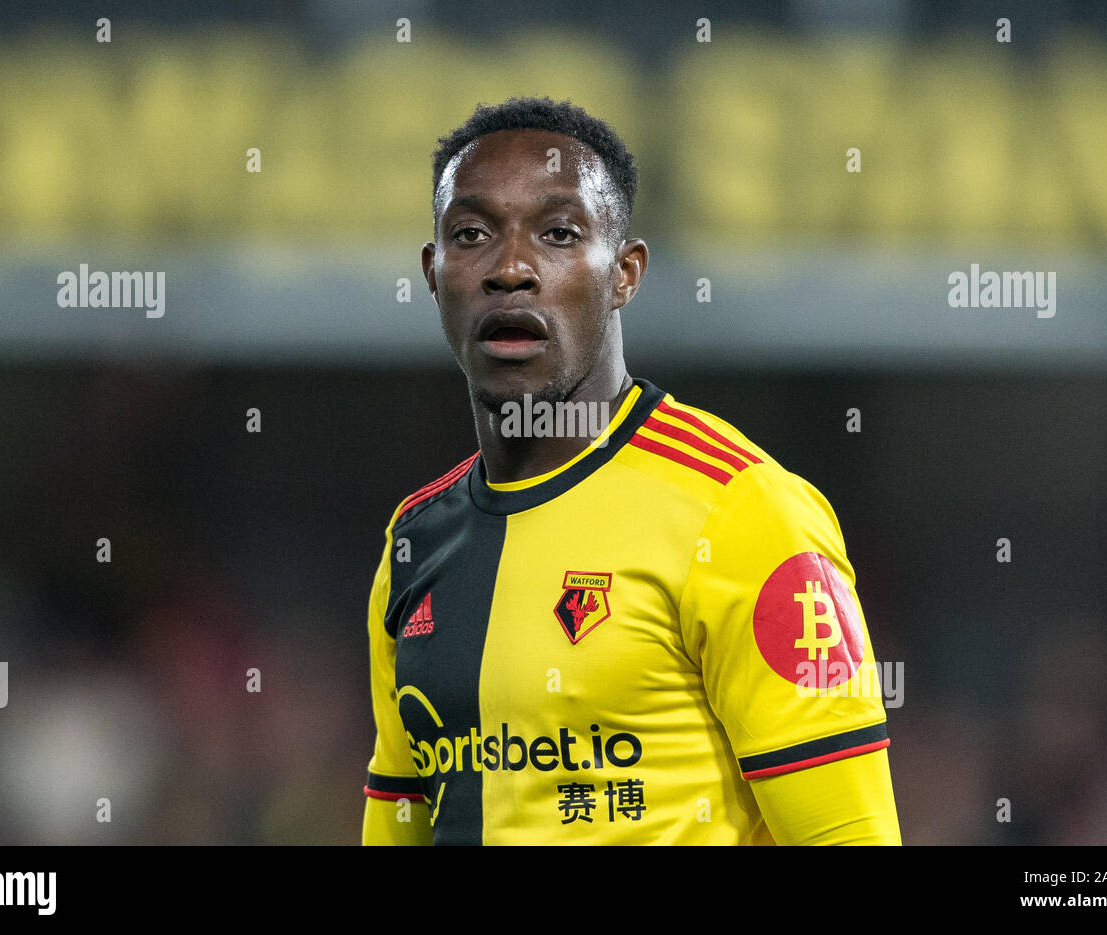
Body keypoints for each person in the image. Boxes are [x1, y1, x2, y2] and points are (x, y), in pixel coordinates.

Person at [361, 96, 900, 844]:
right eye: (472, 234)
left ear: (624, 273)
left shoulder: (743, 511)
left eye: (557, 233)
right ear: (433, 271)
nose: (510, 268)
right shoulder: (415, 541)